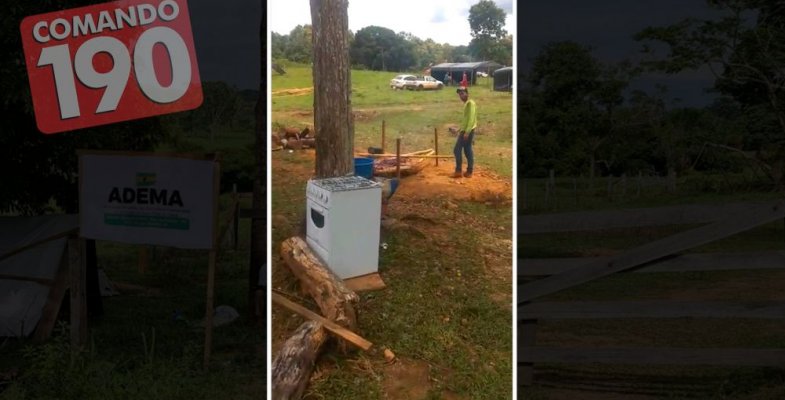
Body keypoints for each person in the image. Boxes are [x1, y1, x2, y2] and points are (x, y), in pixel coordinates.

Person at [453, 87, 477, 178]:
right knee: (468, 150)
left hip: (468, 131)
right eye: (459, 94)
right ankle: (469, 172)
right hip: (467, 130)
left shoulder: (470, 103)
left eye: (462, 93)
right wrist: (459, 129)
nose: (461, 96)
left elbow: (471, 119)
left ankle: (458, 171)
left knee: (457, 150)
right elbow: (466, 120)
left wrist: (466, 132)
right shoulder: (468, 103)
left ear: (467, 93)